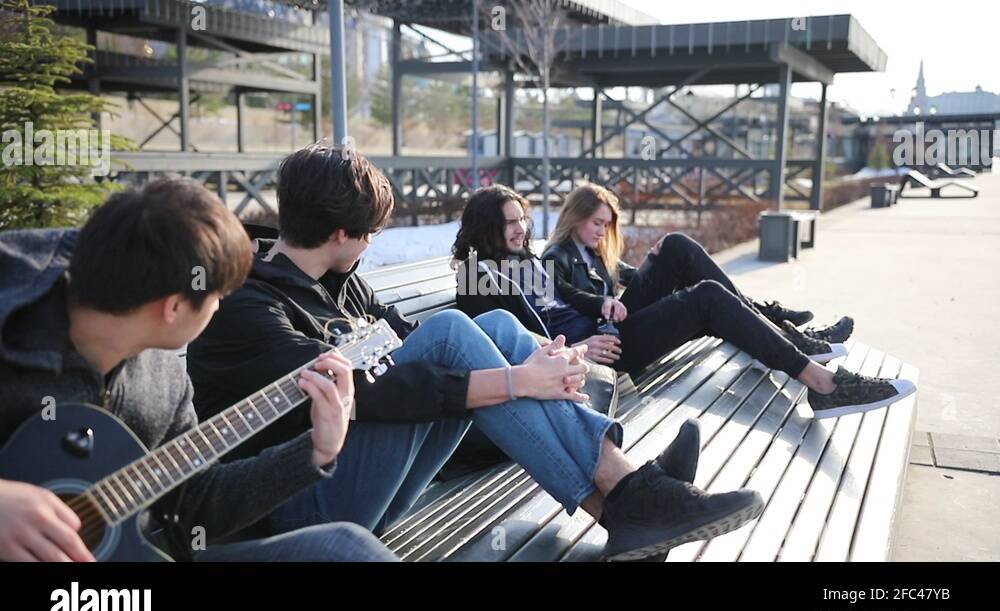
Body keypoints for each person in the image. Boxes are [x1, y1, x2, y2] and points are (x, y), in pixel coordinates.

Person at [185, 143, 765, 561]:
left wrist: (537, 356)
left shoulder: (343, 279)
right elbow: (372, 392)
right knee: (457, 331)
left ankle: (626, 495)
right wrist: (519, 383)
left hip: (365, 476)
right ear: (341, 233)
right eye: (370, 234)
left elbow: (406, 341)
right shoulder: (249, 305)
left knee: (489, 324)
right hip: (302, 506)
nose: (371, 245)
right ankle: (630, 499)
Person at [0, 179, 397, 562]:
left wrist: (316, 449)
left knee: (344, 549)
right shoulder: (16, 312)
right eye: (217, 297)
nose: (221, 308)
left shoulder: (163, 380)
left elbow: (197, 503)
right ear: (173, 308)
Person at [452, 183, 915, 421]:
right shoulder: (477, 277)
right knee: (707, 299)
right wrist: (579, 350)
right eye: (510, 222)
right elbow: (500, 342)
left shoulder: (525, 259)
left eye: (522, 220)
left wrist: (603, 306)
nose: (521, 229)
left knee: (681, 256)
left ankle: (797, 351)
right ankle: (823, 382)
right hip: (597, 358)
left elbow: (566, 296)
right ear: (485, 225)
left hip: (606, 335)